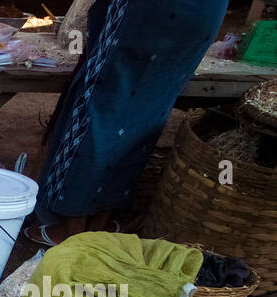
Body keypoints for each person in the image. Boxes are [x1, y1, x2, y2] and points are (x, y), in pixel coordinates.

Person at [28, 0, 229, 246]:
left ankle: (73, 229)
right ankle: (101, 224)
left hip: (148, 13)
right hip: (204, 12)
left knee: (104, 99)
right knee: (147, 108)